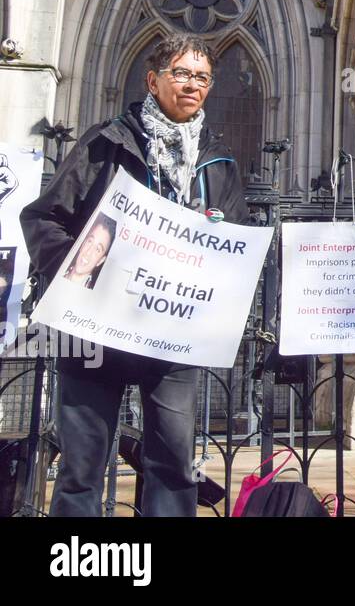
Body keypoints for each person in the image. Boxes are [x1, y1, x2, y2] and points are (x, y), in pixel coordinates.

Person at [21, 34, 248, 516]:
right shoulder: (105, 143)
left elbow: (236, 241)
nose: (193, 85)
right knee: (82, 468)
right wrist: (82, 276)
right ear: (153, 79)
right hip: (95, 330)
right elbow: (43, 218)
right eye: (182, 73)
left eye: (203, 77)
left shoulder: (219, 162)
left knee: (172, 464)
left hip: (170, 336)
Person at [60, 215, 115, 290]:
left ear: (101, 260)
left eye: (97, 249)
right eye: (90, 241)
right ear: (83, 242)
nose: (88, 252)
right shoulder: (58, 265)